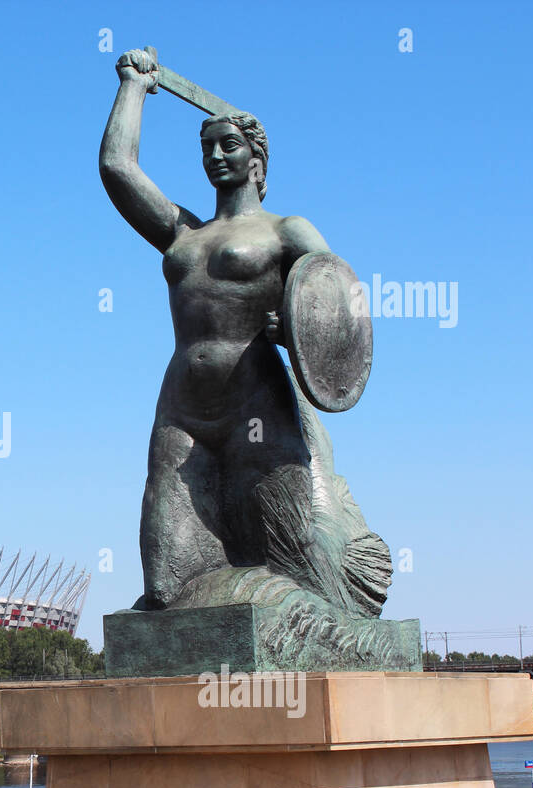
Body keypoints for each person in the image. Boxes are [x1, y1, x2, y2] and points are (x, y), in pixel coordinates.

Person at [100, 48, 390, 616]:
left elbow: (338, 305)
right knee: (165, 586)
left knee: (301, 561)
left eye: (228, 145)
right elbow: (117, 169)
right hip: (182, 411)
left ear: (257, 159)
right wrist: (133, 87)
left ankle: (351, 591)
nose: (215, 156)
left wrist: (295, 329)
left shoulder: (287, 229)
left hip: (256, 405)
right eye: (206, 147)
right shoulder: (181, 231)